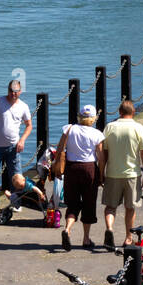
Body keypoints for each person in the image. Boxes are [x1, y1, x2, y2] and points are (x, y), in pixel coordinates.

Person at [100, 100, 143, 249]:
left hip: (113, 173)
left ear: (119, 112)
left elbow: (104, 153)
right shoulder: (138, 128)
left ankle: (109, 228)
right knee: (130, 207)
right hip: (132, 174)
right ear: (133, 112)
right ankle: (128, 238)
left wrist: (101, 172)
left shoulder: (110, 127)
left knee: (110, 207)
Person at [54, 104, 104, 251]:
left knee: (73, 204)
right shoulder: (97, 134)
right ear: (94, 118)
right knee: (89, 204)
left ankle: (67, 229)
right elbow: (101, 157)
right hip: (89, 169)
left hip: (71, 168)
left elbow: (59, 149)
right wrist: (101, 175)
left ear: (80, 116)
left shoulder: (69, 129)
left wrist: (56, 165)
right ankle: (86, 238)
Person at [0, 80, 32, 215]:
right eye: (11, 91)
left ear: (20, 91)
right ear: (7, 90)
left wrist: (22, 140)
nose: (13, 94)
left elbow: (29, 125)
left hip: (13, 147)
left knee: (17, 176)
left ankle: (16, 202)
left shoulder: (23, 106)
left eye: (16, 91)